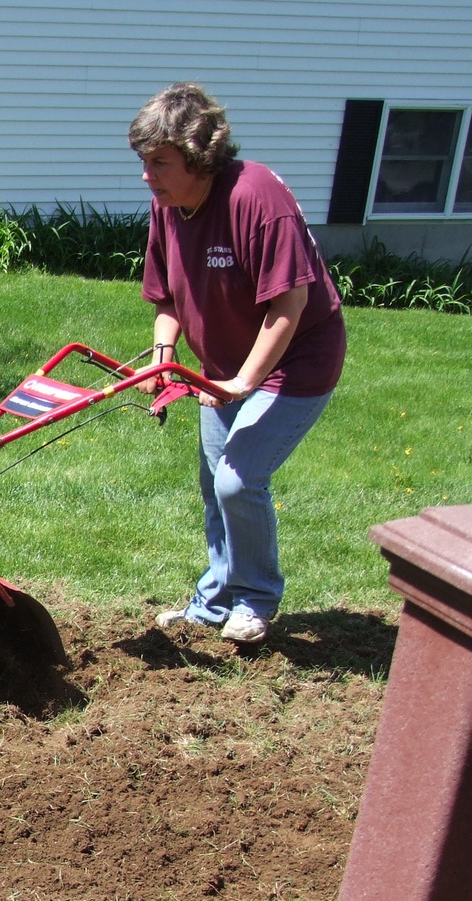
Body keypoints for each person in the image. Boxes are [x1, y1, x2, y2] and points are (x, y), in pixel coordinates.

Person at [129, 83, 346, 646]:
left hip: (296, 360)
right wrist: (163, 359)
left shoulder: (257, 198)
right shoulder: (169, 206)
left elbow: (290, 304)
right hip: (221, 367)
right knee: (213, 486)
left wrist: (244, 382)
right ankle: (215, 600)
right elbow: (167, 298)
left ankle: (255, 601)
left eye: (159, 163)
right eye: (143, 162)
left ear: (198, 156)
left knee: (237, 479)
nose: (147, 176)